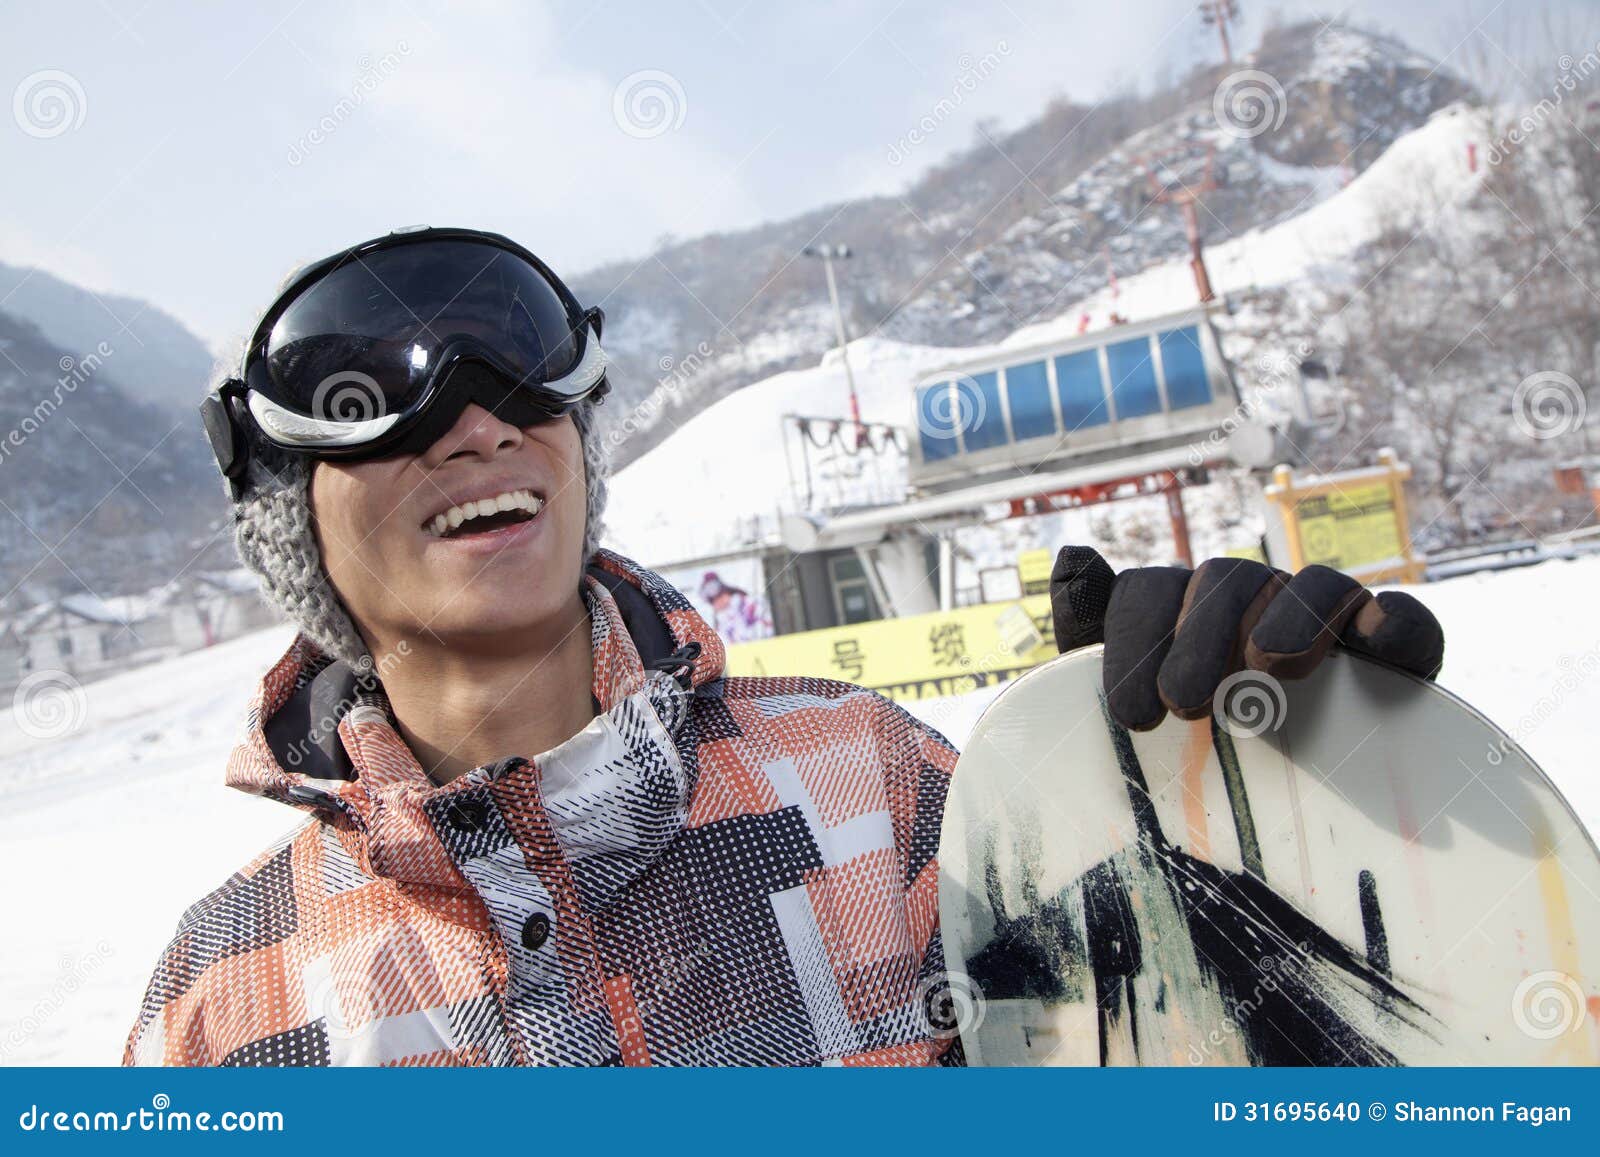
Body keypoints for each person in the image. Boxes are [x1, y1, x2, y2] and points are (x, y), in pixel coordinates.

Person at [123, 227, 1443, 1067]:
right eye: (378, 401)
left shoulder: (872, 787)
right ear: (284, 512)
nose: (477, 427)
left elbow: (1153, 1054)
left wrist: (1244, 839)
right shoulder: (221, 1003)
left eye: (523, 377)